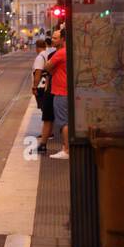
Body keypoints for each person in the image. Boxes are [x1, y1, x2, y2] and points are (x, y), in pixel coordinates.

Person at [44, 30, 70, 158]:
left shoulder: (60, 53)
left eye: (55, 38)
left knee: (63, 121)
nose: (52, 40)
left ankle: (66, 150)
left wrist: (52, 69)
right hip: (68, 90)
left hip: (60, 91)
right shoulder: (70, 51)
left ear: (62, 39)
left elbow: (47, 67)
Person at [30, 38, 53, 153]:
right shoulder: (49, 53)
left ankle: (47, 133)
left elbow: (38, 73)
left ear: (37, 48)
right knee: (47, 108)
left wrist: (34, 86)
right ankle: (49, 132)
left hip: (42, 86)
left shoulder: (40, 57)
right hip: (49, 85)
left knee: (44, 109)